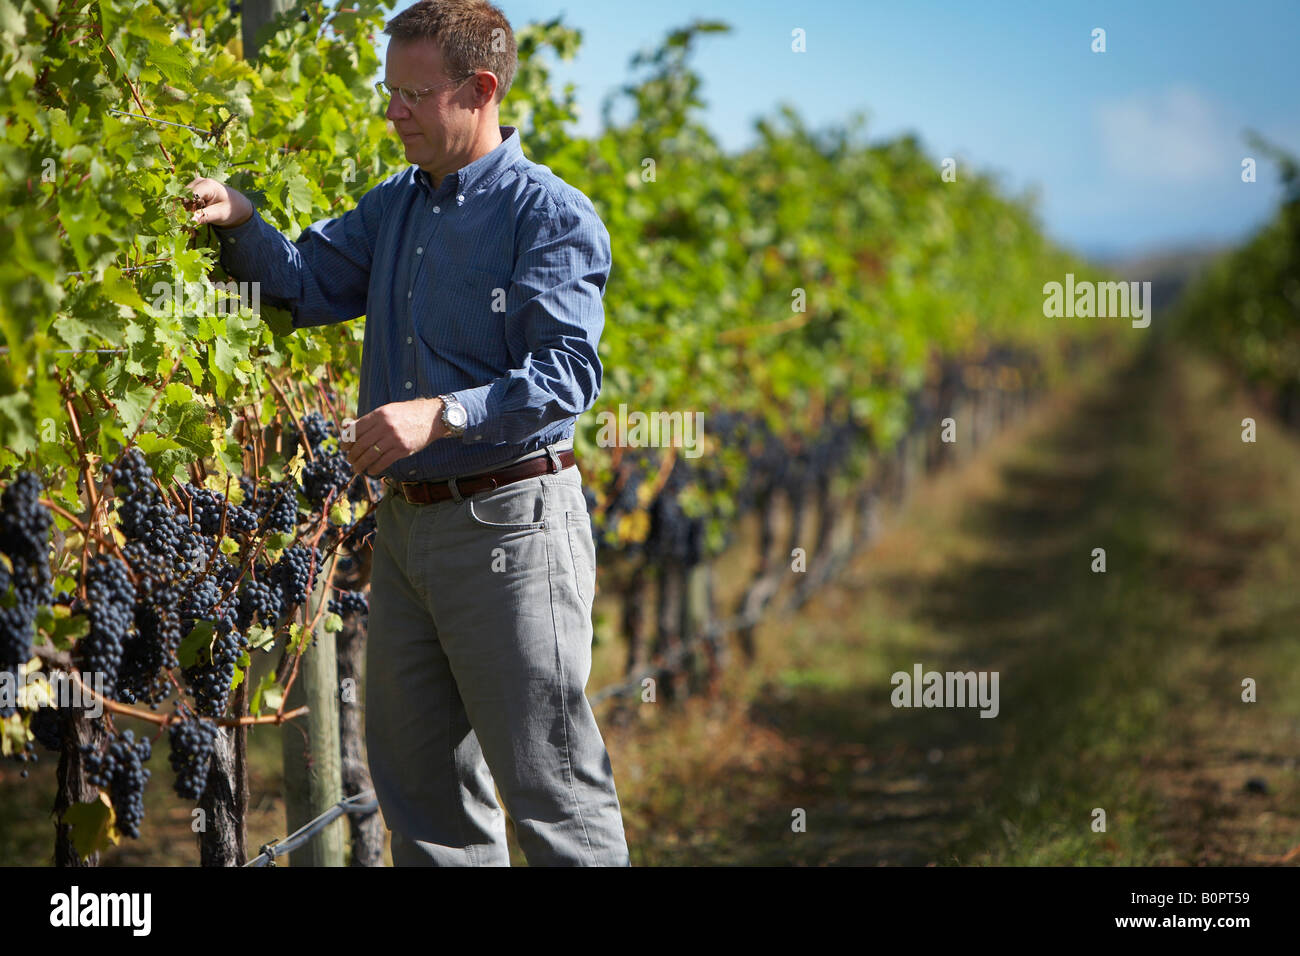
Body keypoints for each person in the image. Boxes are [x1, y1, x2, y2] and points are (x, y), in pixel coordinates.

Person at [187, 0, 630, 866]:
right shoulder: (397, 204)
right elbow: (306, 285)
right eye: (390, 92)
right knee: (421, 797)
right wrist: (242, 218)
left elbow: (568, 375)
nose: (393, 113)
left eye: (413, 96)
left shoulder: (549, 215)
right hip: (409, 528)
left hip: (512, 523)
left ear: (482, 89)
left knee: (551, 792)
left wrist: (443, 412)